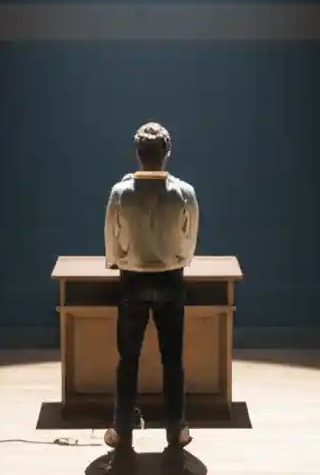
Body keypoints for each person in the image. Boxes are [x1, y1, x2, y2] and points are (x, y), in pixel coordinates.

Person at [103, 122, 199, 453]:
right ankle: (177, 429)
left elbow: (111, 239)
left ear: (138, 153)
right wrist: (176, 259)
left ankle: (122, 430)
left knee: (128, 359)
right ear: (167, 152)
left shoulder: (120, 192)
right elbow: (189, 242)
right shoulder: (184, 192)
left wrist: (120, 260)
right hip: (170, 278)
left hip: (132, 280)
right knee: (172, 358)